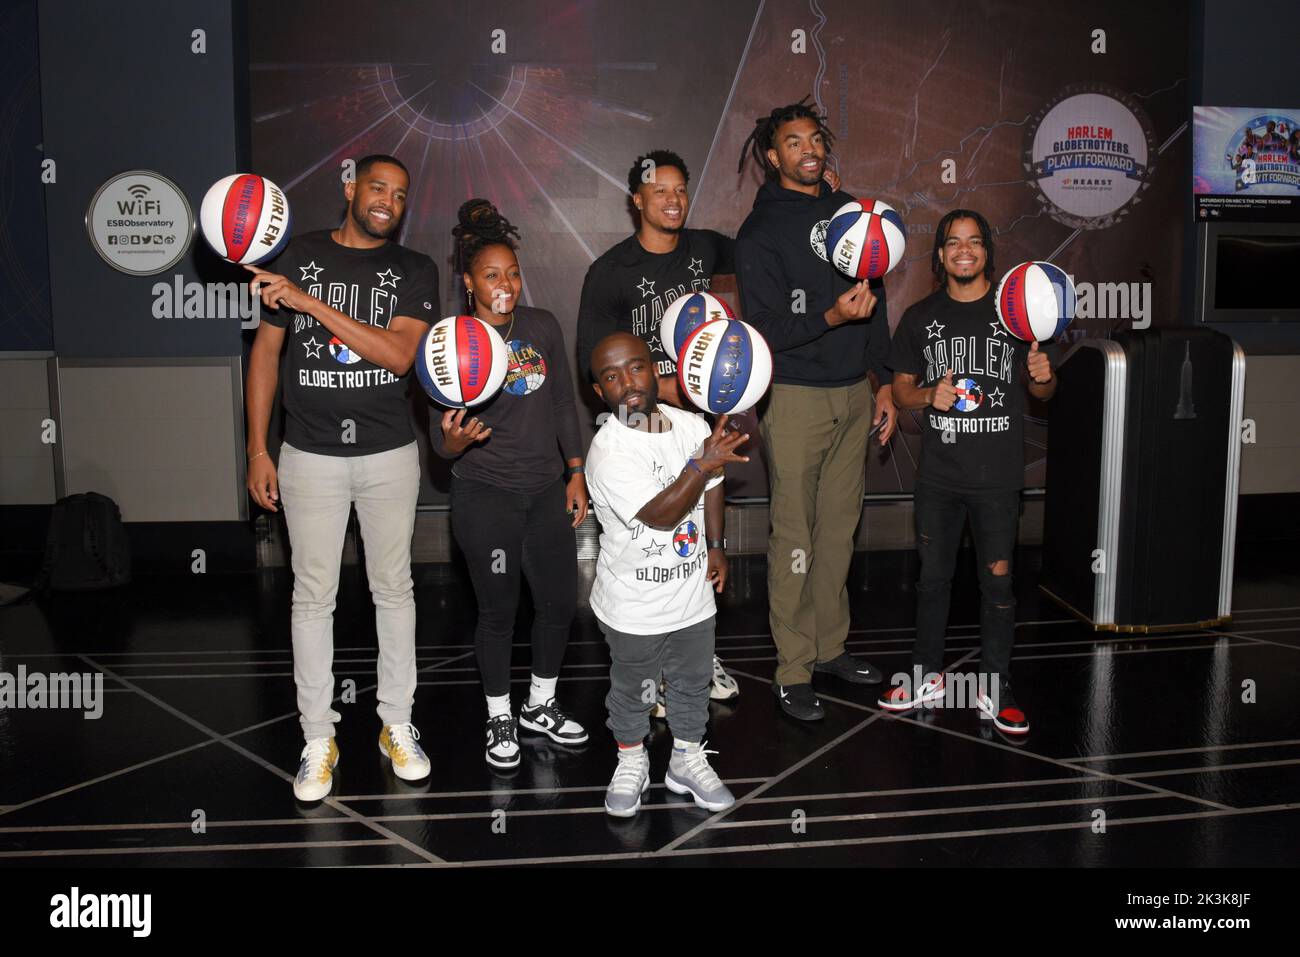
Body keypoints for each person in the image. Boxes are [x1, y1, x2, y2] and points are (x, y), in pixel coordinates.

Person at [245, 154, 439, 801]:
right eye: (378, 186)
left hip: (388, 452)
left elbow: (398, 354)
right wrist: (257, 448)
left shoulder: (415, 269)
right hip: (309, 453)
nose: (388, 200)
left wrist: (307, 302)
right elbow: (266, 356)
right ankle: (317, 737)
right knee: (312, 597)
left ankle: (396, 724)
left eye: (400, 194)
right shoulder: (297, 253)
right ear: (351, 188)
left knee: (394, 590)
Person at [733, 97, 897, 722]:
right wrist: (831, 315)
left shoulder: (847, 213)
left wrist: (881, 380)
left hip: (856, 392)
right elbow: (765, 329)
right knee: (794, 535)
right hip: (797, 397)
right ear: (774, 157)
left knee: (838, 529)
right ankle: (793, 666)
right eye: (794, 142)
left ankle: (830, 646)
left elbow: (874, 295)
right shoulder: (759, 233)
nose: (809, 150)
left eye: (815, 140)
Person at [578, 149, 761, 705]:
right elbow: (597, 363)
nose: (673, 199)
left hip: (696, 419)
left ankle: (697, 652)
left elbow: (762, 247)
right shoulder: (609, 272)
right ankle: (648, 665)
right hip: (642, 423)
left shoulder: (705, 247)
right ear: (637, 200)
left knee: (694, 543)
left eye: (681, 189)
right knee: (653, 541)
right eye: (660, 190)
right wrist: (667, 393)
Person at [881, 209, 1057, 735]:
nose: (964, 250)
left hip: (998, 477)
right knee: (932, 581)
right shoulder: (919, 317)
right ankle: (926, 674)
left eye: (974, 241)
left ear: (986, 252)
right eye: (953, 242)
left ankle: (995, 684)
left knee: (998, 587)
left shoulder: (1015, 314)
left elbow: (1043, 392)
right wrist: (926, 394)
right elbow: (901, 390)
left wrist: (1045, 378)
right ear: (939, 255)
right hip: (940, 475)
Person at [431, 199, 589, 769]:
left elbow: (565, 406)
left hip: (547, 490)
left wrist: (575, 471)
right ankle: (499, 712)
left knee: (556, 605)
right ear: (469, 281)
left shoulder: (541, 325)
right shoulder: (450, 342)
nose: (506, 284)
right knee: (498, 612)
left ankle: (539, 705)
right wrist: (456, 442)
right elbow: (439, 442)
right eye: (492, 275)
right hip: (486, 495)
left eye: (513, 273)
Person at [585, 333, 744, 817]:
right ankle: (631, 761)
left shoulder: (689, 424)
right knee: (633, 690)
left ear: (654, 370)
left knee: (693, 683)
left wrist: (715, 547)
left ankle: (686, 760)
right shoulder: (608, 451)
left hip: (692, 594)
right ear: (599, 392)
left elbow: (713, 484)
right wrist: (701, 462)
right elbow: (661, 514)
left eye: (635, 368)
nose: (627, 384)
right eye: (611, 377)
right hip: (633, 604)